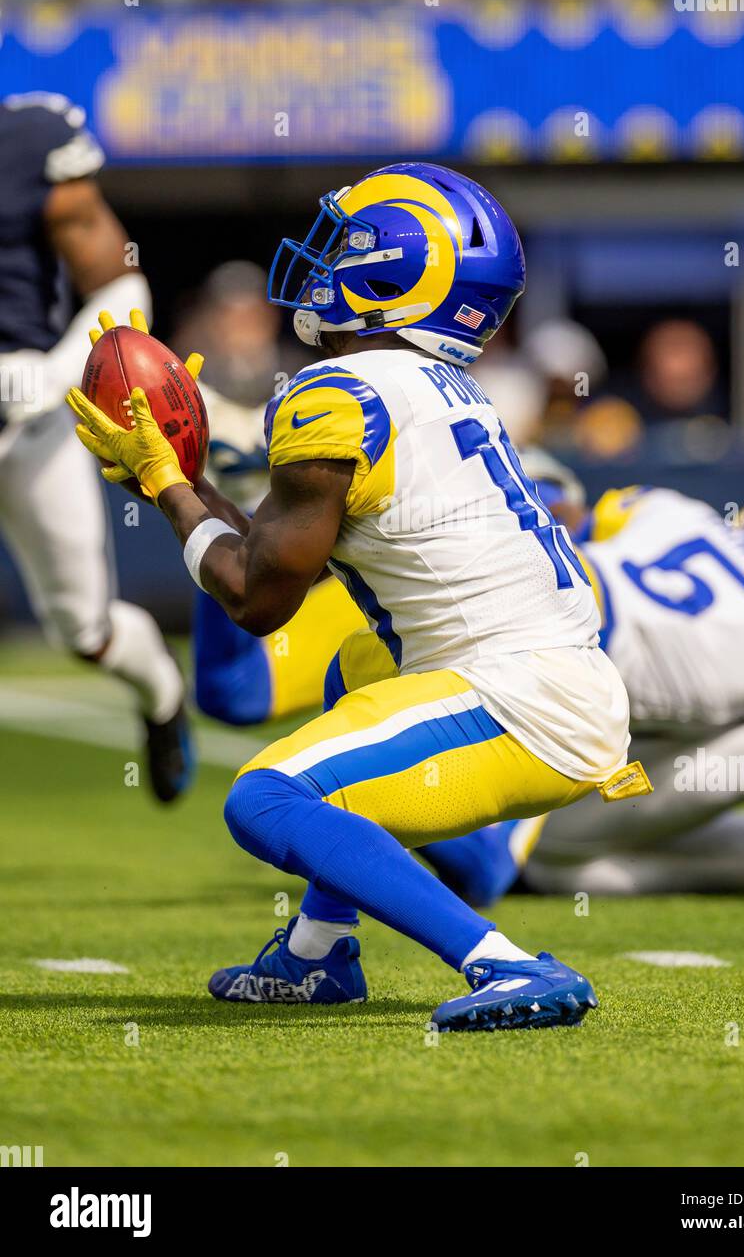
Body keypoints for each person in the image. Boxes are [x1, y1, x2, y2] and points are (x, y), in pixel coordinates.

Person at [65, 161, 650, 1033]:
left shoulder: (338, 397)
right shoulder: (436, 390)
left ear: (395, 274)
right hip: (556, 681)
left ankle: (508, 965)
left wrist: (163, 487)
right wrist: (184, 478)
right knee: (358, 665)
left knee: (264, 800)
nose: (322, 260)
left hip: (520, 702)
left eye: (347, 244)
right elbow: (268, 552)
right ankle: (316, 954)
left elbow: (256, 601)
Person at [524, 486, 744, 904]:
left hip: (527, 677)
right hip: (565, 807)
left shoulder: (673, 508)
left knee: (588, 868)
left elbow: (570, 517)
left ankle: (498, 849)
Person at [0, 92, 194, 802]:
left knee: (84, 629)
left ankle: (161, 691)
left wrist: (46, 377)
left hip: (31, 422)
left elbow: (121, 285)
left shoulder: (27, 143)